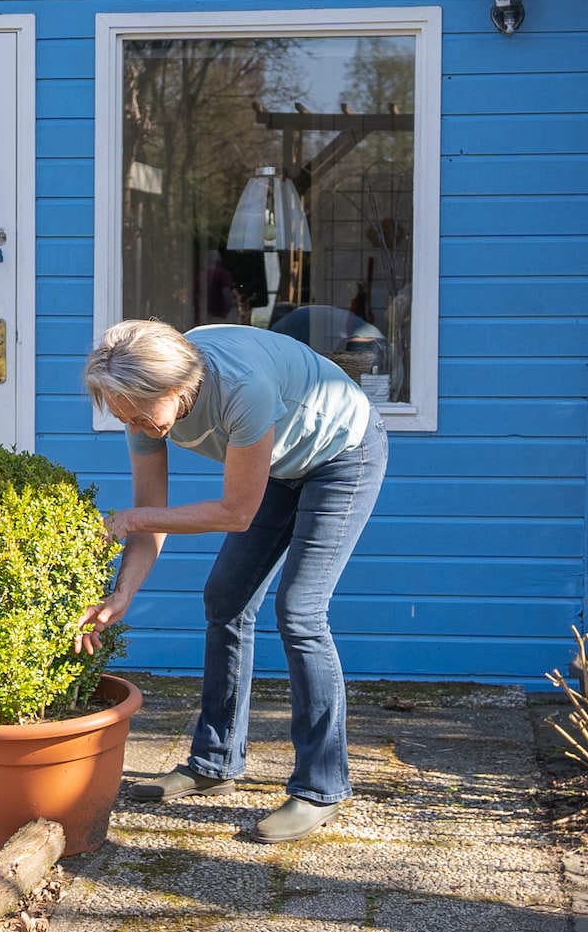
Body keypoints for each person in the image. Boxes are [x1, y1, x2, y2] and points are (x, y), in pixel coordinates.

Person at [73, 318, 386, 843]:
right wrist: (124, 590)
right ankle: (214, 762)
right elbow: (153, 510)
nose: (132, 423)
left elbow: (236, 511)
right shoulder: (141, 404)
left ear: (176, 389)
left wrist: (128, 521)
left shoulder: (243, 387)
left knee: (301, 612)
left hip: (342, 453)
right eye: (121, 414)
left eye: (139, 414)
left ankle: (322, 787)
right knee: (225, 598)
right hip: (281, 466)